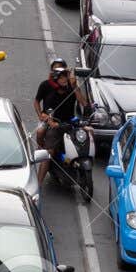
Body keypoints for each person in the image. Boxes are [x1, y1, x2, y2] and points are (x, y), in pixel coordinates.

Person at [33, 58, 80, 187]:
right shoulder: (45, 86)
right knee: (42, 135)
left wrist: (75, 87)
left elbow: (84, 104)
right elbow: (37, 102)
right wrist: (42, 117)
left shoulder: (70, 87)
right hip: (50, 122)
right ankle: (38, 182)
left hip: (68, 123)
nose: (63, 78)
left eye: (65, 74)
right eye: (56, 71)